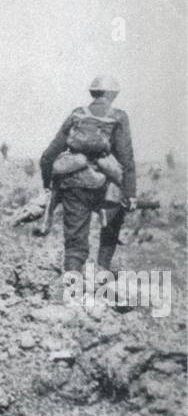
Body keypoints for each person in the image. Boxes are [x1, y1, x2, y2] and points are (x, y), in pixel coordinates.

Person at [39, 74, 137, 274]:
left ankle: (72, 295)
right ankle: (102, 273)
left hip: (72, 184)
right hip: (104, 186)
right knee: (111, 226)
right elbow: (126, 160)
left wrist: (48, 185)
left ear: (93, 92)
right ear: (112, 94)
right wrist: (130, 193)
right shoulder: (118, 116)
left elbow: (48, 156)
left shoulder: (77, 114)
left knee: (75, 242)